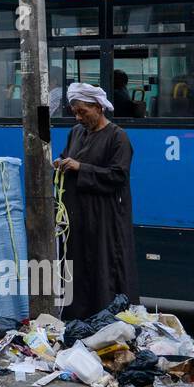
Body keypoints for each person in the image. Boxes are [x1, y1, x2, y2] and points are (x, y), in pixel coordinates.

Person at [53, 83, 139, 320]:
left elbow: (118, 175)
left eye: (83, 112)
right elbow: (67, 156)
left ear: (98, 107)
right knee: (78, 265)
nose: (79, 117)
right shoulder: (76, 132)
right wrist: (61, 163)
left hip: (104, 217)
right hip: (78, 216)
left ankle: (105, 317)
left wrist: (81, 167)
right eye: (76, 113)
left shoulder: (118, 137)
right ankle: (77, 319)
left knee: (104, 266)